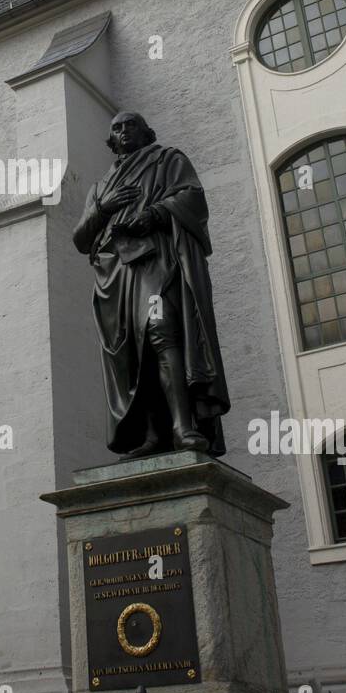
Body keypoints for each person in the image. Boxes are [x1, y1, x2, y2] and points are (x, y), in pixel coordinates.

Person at [73, 111, 230, 457]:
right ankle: (152, 434)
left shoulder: (167, 160)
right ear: (111, 140)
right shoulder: (100, 188)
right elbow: (81, 238)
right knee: (134, 353)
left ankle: (183, 427)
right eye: (116, 127)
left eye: (131, 125)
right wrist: (103, 208)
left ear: (145, 132)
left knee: (161, 329)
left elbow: (192, 197)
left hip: (156, 260)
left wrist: (154, 215)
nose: (124, 131)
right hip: (115, 277)